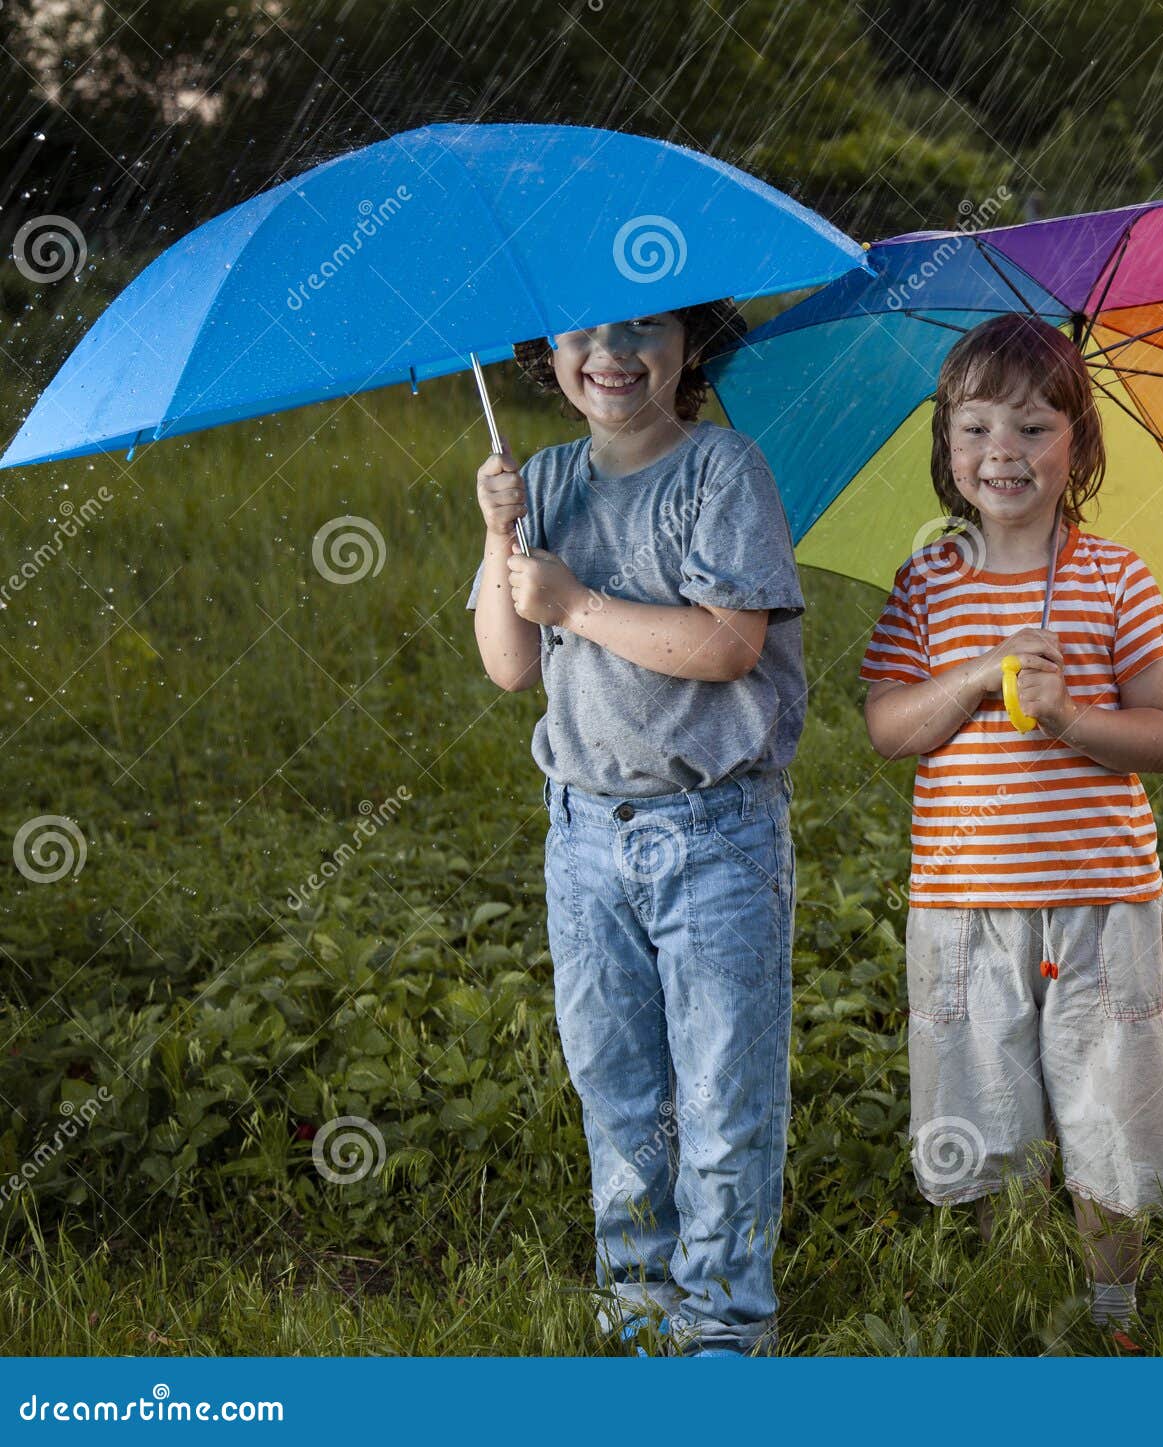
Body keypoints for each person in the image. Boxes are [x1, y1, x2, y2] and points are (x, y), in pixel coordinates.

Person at [465, 301, 803, 1356]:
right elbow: (510, 665)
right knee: (616, 1080)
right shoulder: (549, 483)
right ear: (546, 353)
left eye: (642, 329)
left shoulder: (721, 472)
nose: (610, 356)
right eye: (580, 335)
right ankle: (639, 1293)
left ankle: (721, 1322)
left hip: (714, 833)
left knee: (720, 1086)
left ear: (688, 343)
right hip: (584, 835)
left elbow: (727, 647)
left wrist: (573, 603)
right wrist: (497, 535)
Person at [858, 312, 1163, 1337]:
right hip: (965, 905)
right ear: (946, 450)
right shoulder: (926, 583)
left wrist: (1069, 717)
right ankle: (1011, 1275)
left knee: (1111, 1107)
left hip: (1098, 897)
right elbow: (887, 727)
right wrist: (969, 676)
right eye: (975, 428)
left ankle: (1110, 1300)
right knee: (986, 1101)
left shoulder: (1114, 576)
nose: (1004, 452)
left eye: (1036, 428)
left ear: (1080, 448)